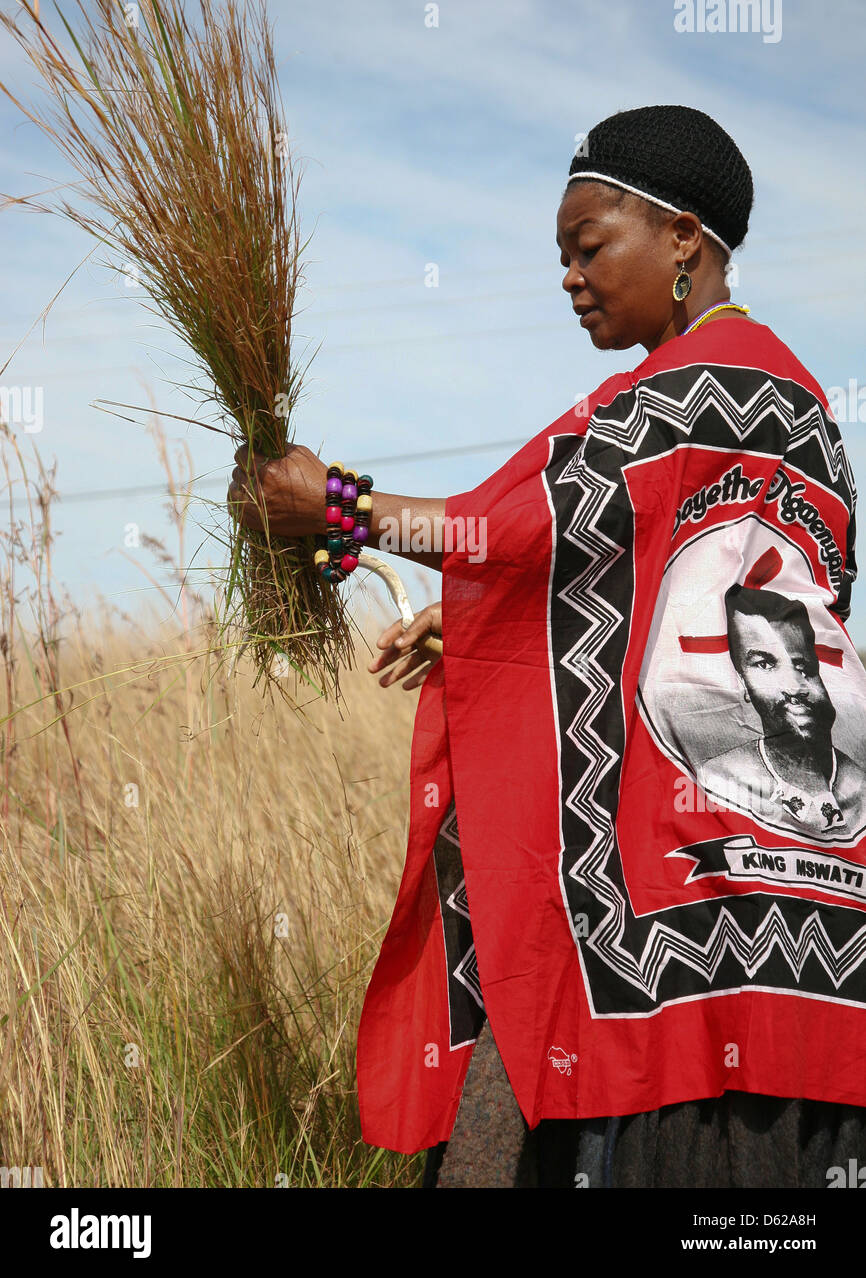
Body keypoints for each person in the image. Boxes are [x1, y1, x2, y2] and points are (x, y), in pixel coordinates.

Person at [229, 105, 866, 1188]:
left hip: (664, 900)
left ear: (680, 236)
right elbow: (662, 586)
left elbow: (508, 527)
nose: (568, 278)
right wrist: (507, 622)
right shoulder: (803, 410)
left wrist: (334, 505)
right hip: (813, 900)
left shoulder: (678, 397)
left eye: (586, 246)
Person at [697, 584, 866, 841]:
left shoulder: (860, 787)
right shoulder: (716, 780)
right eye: (764, 664)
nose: (794, 687)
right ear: (742, 682)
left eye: (802, 666)